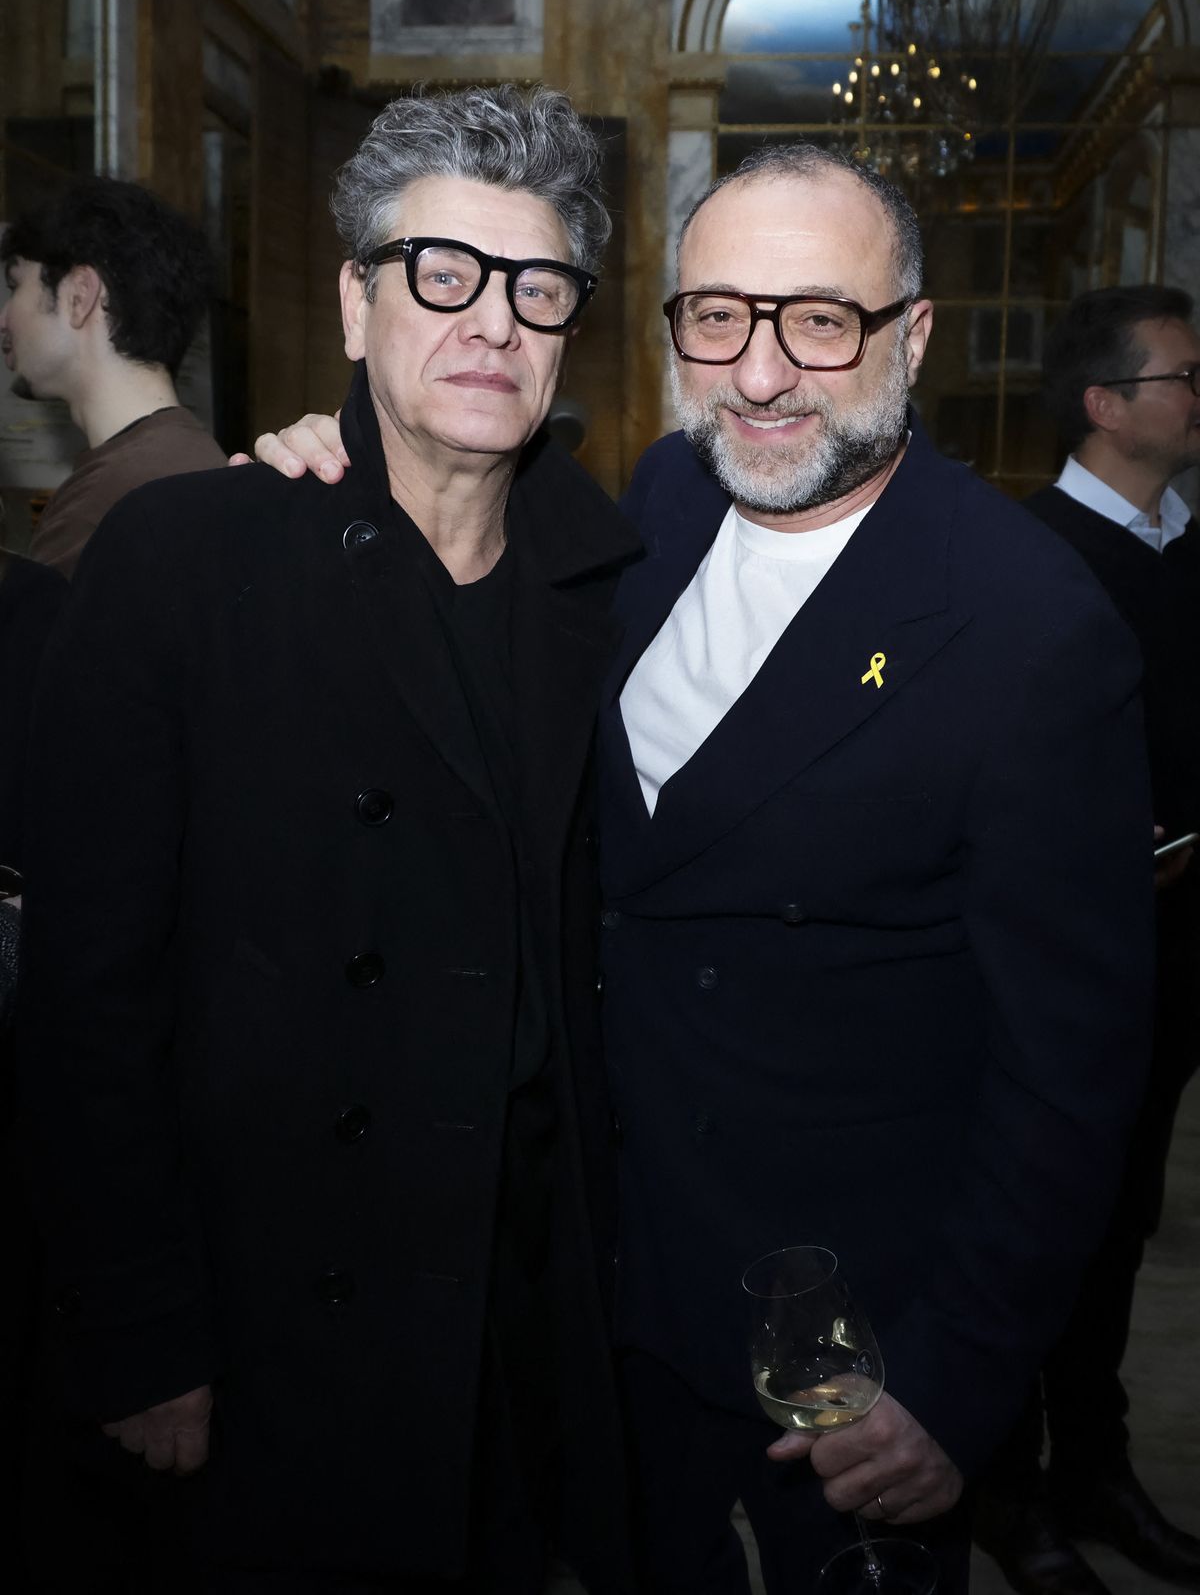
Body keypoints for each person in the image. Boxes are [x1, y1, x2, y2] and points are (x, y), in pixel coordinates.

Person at [252, 144, 1156, 1595]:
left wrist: (957, 1377)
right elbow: (450, 527)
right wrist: (331, 460)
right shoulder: (661, 497)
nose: (761, 372)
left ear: (911, 334)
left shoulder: (1027, 626)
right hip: (608, 1286)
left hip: (838, 1351)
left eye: (819, 318)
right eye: (716, 315)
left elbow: (1076, 1066)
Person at [17, 86, 639, 1593]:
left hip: (518, 1305)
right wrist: (137, 1327)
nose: (492, 319)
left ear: (569, 329)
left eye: (536, 285)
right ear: (358, 307)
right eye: (443, 272)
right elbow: (88, 990)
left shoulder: (614, 579)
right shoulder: (193, 558)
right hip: (268, 1311)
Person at [974, 286, 1200, 1595]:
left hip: (1175, 973)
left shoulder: (1187, 541)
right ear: (1107, 404)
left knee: (1119, 1230)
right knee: (1038, 1231)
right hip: (1063, 974)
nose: (1197, 395)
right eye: (1182, 374)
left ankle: (1095, 1467)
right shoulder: (1030, 554)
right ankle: (1006, 1490)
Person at [0, 176, 225, 577]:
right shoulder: (186, 457)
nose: (4, 319)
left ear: (79, 295)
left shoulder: (109, 502)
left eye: (15, 285)